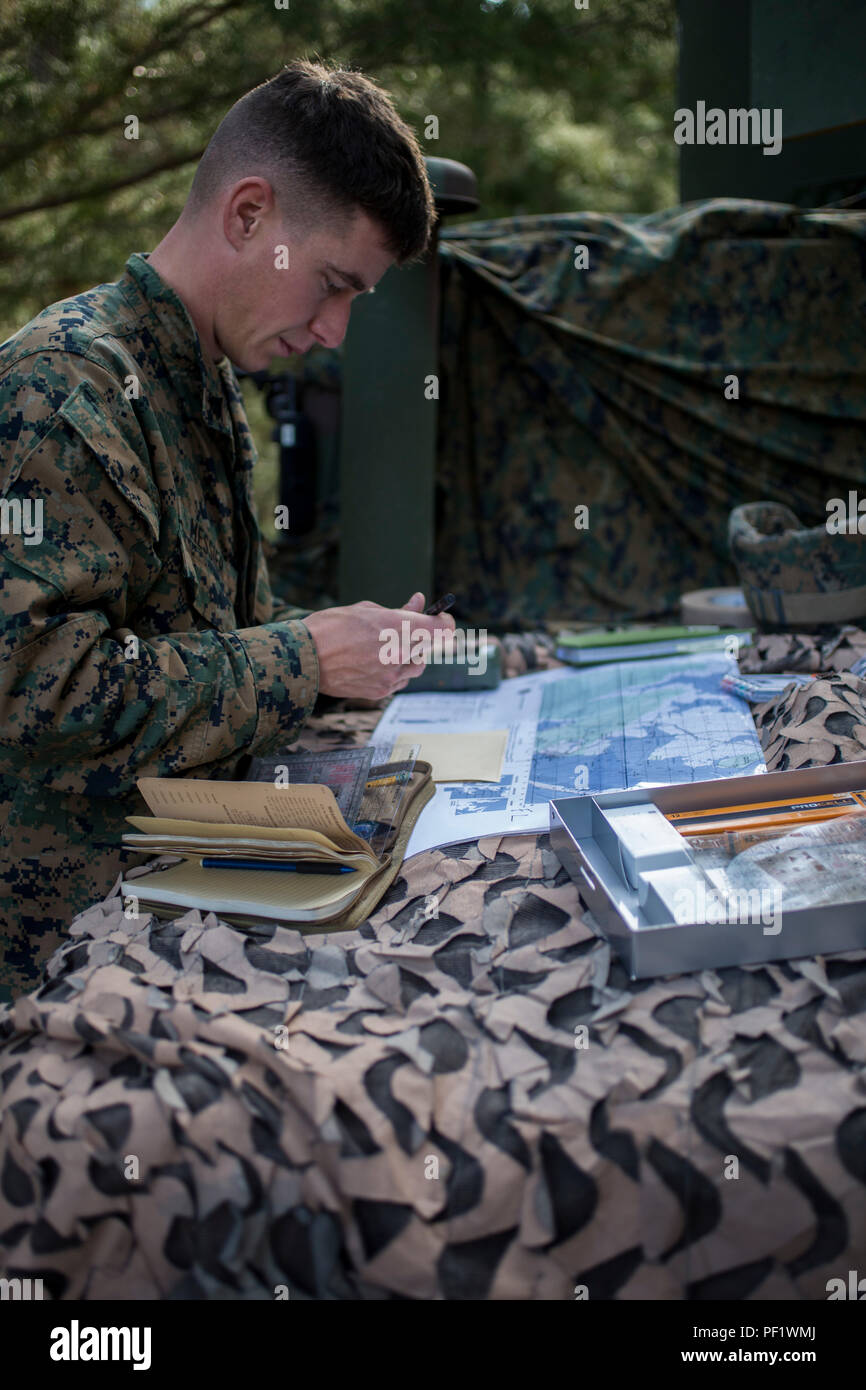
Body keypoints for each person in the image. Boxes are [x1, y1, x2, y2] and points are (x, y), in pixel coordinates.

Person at [0, 59, 455, 998]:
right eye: (332, 285)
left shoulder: (199, 380)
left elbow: (200, 635)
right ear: (247, 215)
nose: (334, 332)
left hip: (188, 903)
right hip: (68, 969)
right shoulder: (60, 389)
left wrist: (350, 645)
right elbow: (36, 692)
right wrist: (305, 659)